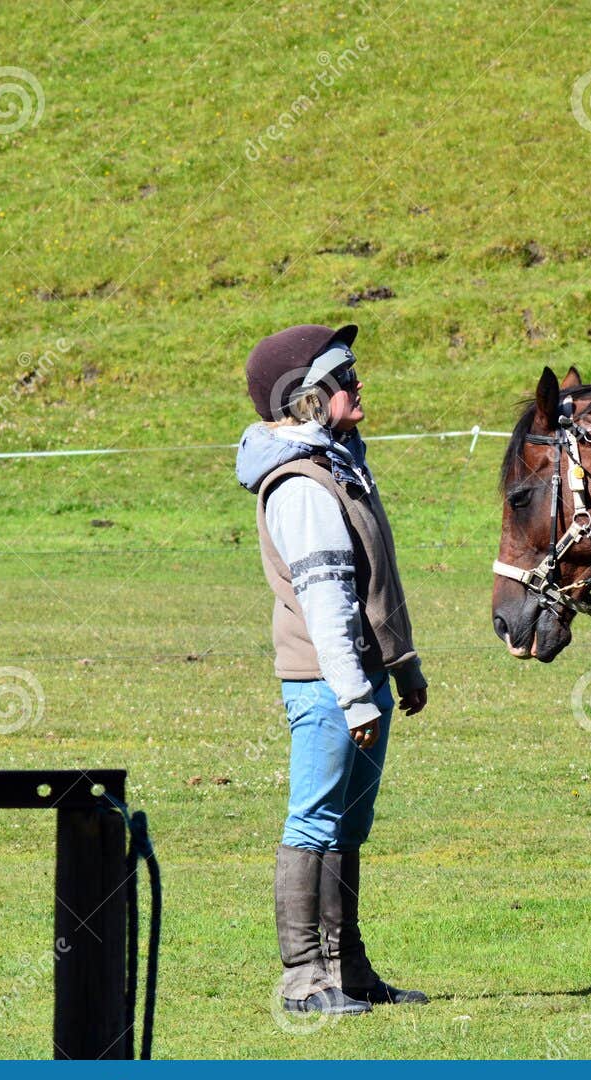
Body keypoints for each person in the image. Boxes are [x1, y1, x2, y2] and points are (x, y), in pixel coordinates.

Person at [235, 323, 430, 1015]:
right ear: (307, 397)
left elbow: (378, 585)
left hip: (358, 679)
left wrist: (401, 667)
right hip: (327, 684)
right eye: (345, 377)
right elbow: (326, 602)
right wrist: (353, 695)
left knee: (347, 828)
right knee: (314, 823)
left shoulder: (341, 465)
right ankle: (302, 979)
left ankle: (349, 972)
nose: (358, 385)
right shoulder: (303, 486)